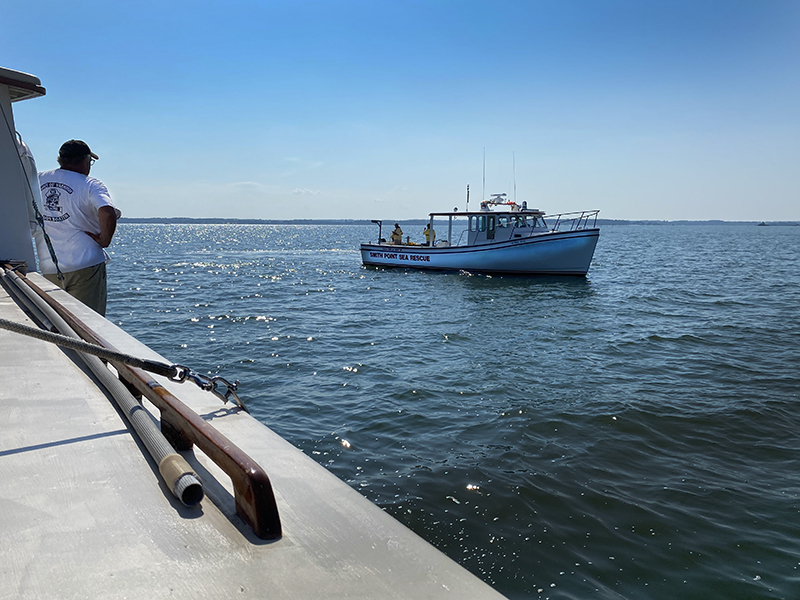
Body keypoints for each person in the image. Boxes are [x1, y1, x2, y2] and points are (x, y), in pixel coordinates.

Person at [34, 140, 121, 316]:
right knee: (89, 323)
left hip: (49, 267)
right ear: (85, 160)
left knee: (56, 324)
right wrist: (104, 240)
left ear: (61, 159)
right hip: (86, 267)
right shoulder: (91, 184)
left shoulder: (37, 180)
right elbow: (108, 212)